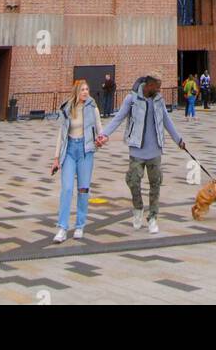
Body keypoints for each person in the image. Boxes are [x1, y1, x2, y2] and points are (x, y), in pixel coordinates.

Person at [97, 71, 185, 234]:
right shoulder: (132, 99)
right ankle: (138, 208)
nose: (159, 90)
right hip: (137, 149)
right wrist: (104, 134)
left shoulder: (159, 101)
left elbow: (167, 121)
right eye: (157, 87)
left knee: (155, 184)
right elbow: (118, 118)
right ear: (149, 85)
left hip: (155, 150)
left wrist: (179, 139)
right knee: (133, 181)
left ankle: (153, 217)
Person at [49, 78, 102, 245]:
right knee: (66, 188)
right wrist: (56, 157)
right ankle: (62, 227)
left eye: (87, 89)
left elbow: (100, 130)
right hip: (70, 149)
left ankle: (80, 225)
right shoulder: (67, 109)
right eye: (83, 90)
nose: (86, 92)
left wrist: (100, 140)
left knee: (83, 189)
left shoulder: (93, 109)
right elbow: (61, 135)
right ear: (76, 92)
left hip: (86, 151)